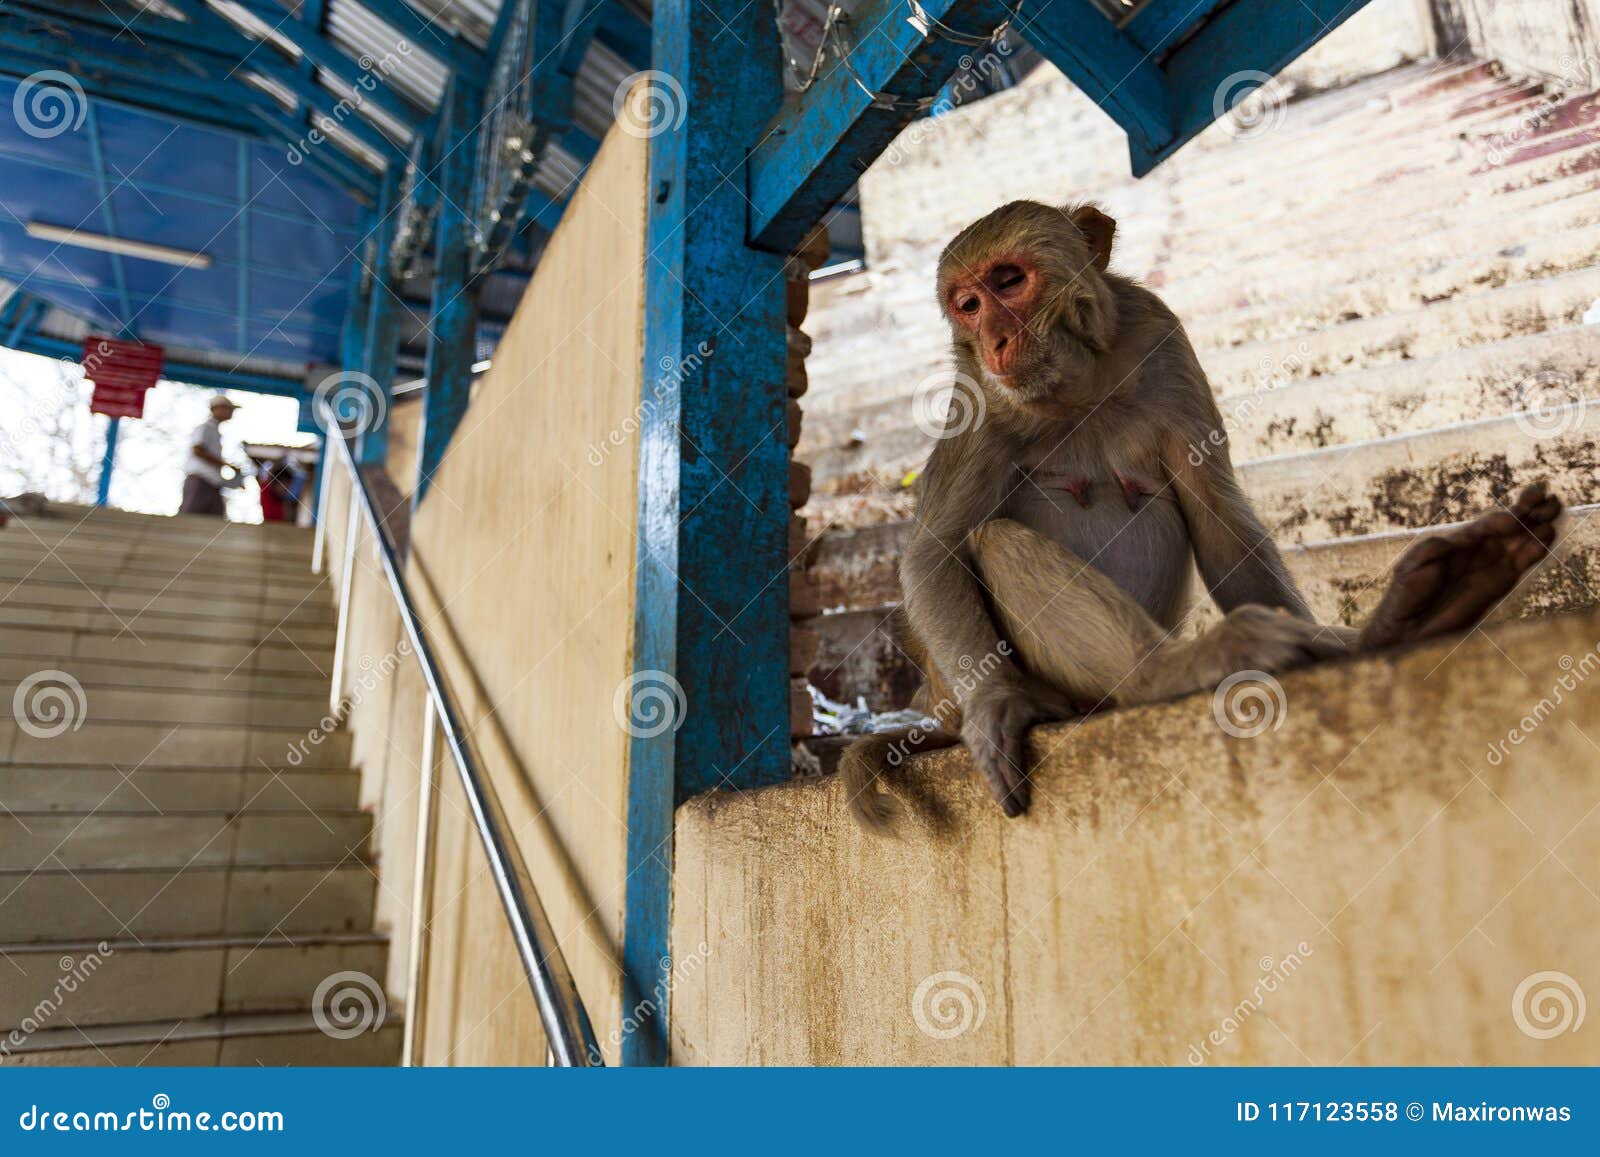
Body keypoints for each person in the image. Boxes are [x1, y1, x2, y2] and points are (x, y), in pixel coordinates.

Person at [180, 395, 240, 517]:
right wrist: (225, 464)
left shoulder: (215, 431)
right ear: (216, 408)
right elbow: (198, 450)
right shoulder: (205, 428)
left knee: (215, 519)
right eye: (228, 409)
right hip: (200, 480)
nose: (231, 412)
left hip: (213, 483)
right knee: (190, 517)